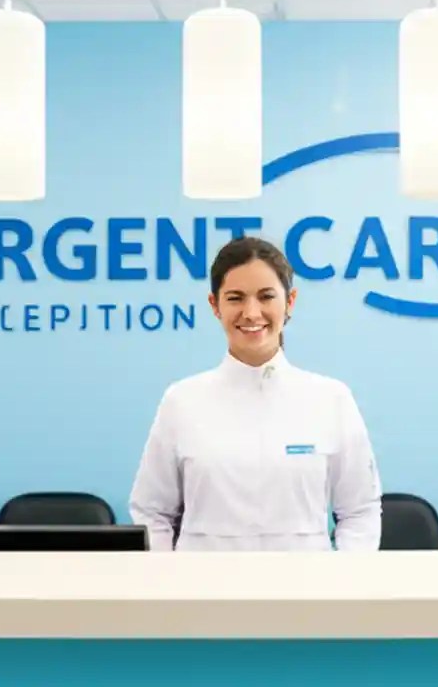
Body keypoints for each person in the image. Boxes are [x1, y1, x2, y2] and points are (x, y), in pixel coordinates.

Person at [129, 236, 383, 551]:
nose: (251, 313)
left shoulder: (331, 399)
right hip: (201, 592)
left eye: (266, 296)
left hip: (306, 592)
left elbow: (360, 512)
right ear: (214, 305)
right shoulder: (181, 401)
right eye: (235, 298)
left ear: (290, 302)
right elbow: (151, 512)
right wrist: (167, 587)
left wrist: (339, 587)